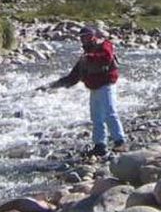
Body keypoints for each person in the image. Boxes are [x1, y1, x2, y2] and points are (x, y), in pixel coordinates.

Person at [40, 27, 127, 157]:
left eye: (87, 36)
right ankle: (100, 145)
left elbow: (106, 58)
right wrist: (51, 86)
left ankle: (120, 142)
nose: (84, 40)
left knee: (110, 113)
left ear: (93, 36)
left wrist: (89, 58)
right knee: (96, 118)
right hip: (94, 88)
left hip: (106, 86)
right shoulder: (85, 58)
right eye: (82, 37)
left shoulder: (105, 45)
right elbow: (72, 78)